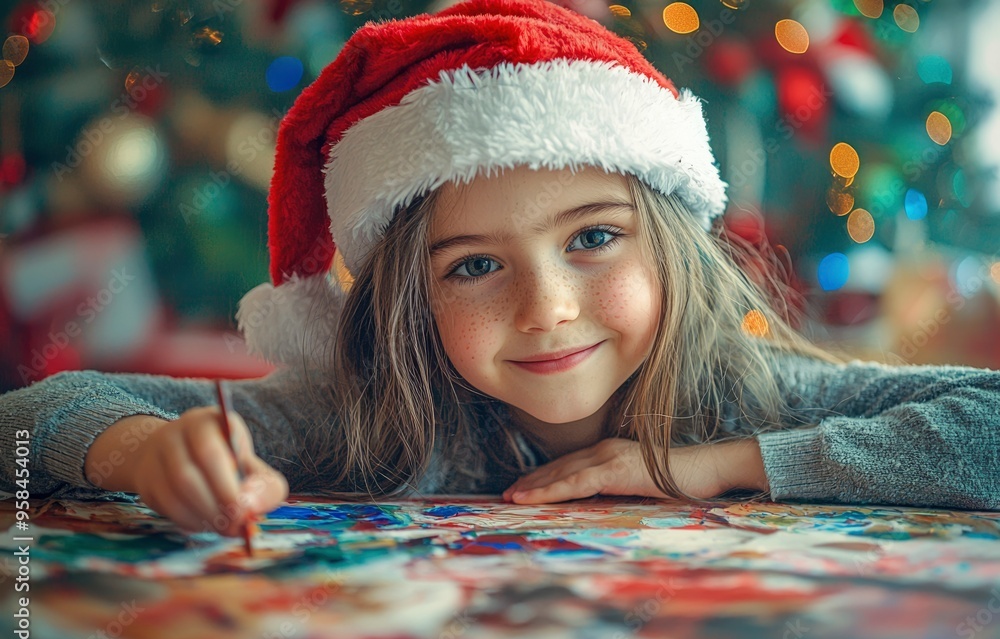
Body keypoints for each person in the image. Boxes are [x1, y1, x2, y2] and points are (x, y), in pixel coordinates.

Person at [2, 0, 998, 539]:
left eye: (594, 238)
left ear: (671, 246)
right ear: (408, 303)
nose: (548, 308)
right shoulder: (369, 420)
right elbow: (26, 416)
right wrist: (140, 452)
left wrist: (711, 466)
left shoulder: (743, 399)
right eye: (474, 264)